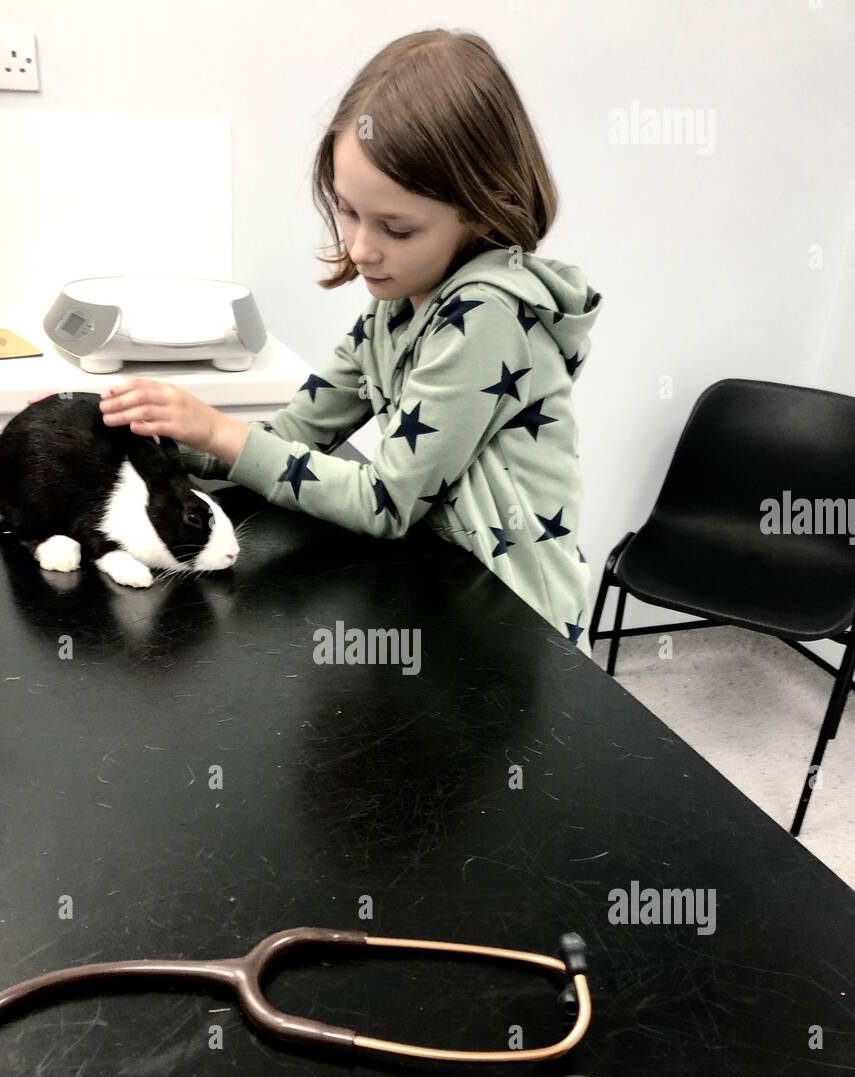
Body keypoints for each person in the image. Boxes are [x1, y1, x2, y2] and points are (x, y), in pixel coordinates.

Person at [96, 29, 603, 652]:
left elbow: (385, 501)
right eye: (347, 210)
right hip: (436, 589)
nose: (361, 248)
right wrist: (158, 434)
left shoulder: (485, 316)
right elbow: (295, 438)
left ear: (484, 208)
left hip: (509, 626)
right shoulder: (393, 310)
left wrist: (219, 433)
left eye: (395, 227)